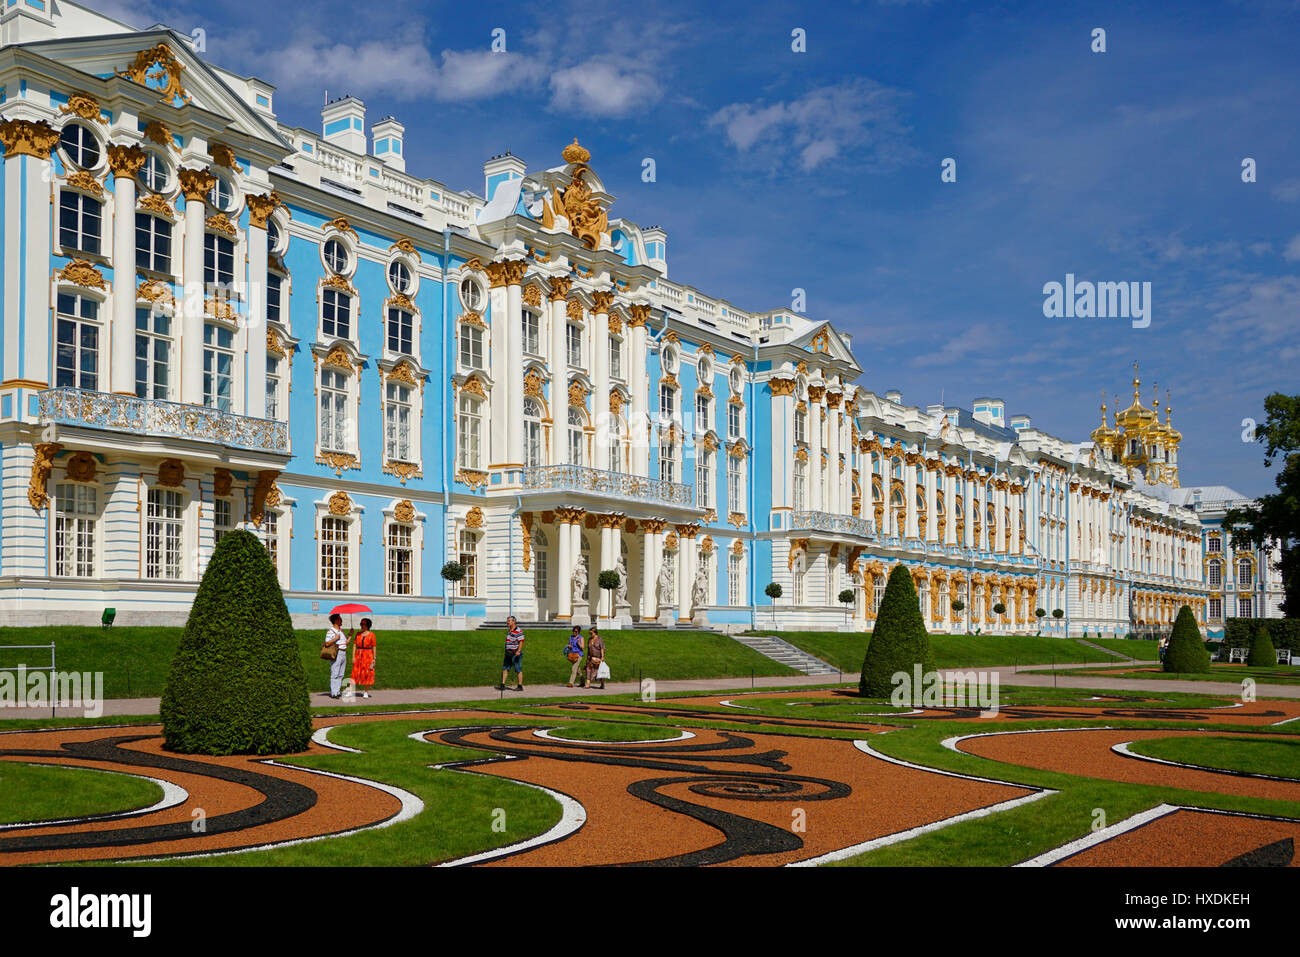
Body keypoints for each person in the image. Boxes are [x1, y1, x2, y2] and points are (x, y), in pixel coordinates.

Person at [497, 616, 526, 692]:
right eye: (507, 620)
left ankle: (520, 686)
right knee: (505, 668)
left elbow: (521, 642)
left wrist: (518, 651)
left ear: (514, 622)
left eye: (509, 621)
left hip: (515, 653)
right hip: (508, 653)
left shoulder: (518, 631)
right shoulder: (510, 630)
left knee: (518, 669)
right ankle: (502, 685)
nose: (507, 622)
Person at [324, 613, 348, 699]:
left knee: (341, 674)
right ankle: (333, 692)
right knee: (335, 673)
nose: (341, 621)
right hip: (336, 653)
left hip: (343, 653)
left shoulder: (341, 631)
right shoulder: (331, 631)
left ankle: (337, 691)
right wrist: (335, 638)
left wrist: (350, 635)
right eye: (340, 619)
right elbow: (327, 643)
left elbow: (345, 643)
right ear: (336, 620)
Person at [351, 618, 376, 698]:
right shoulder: (358, 634)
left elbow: (374, 647)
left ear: (367, 625)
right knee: (355, 672)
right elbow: (354, 645)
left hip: (368, 655)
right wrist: (353, 656)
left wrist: (374, 658)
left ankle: (366, 692)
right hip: (359, 655)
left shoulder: (372, 635)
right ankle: (351, 691)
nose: (361, 625)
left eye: (363, 624)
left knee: (367, 673)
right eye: (360, 623)